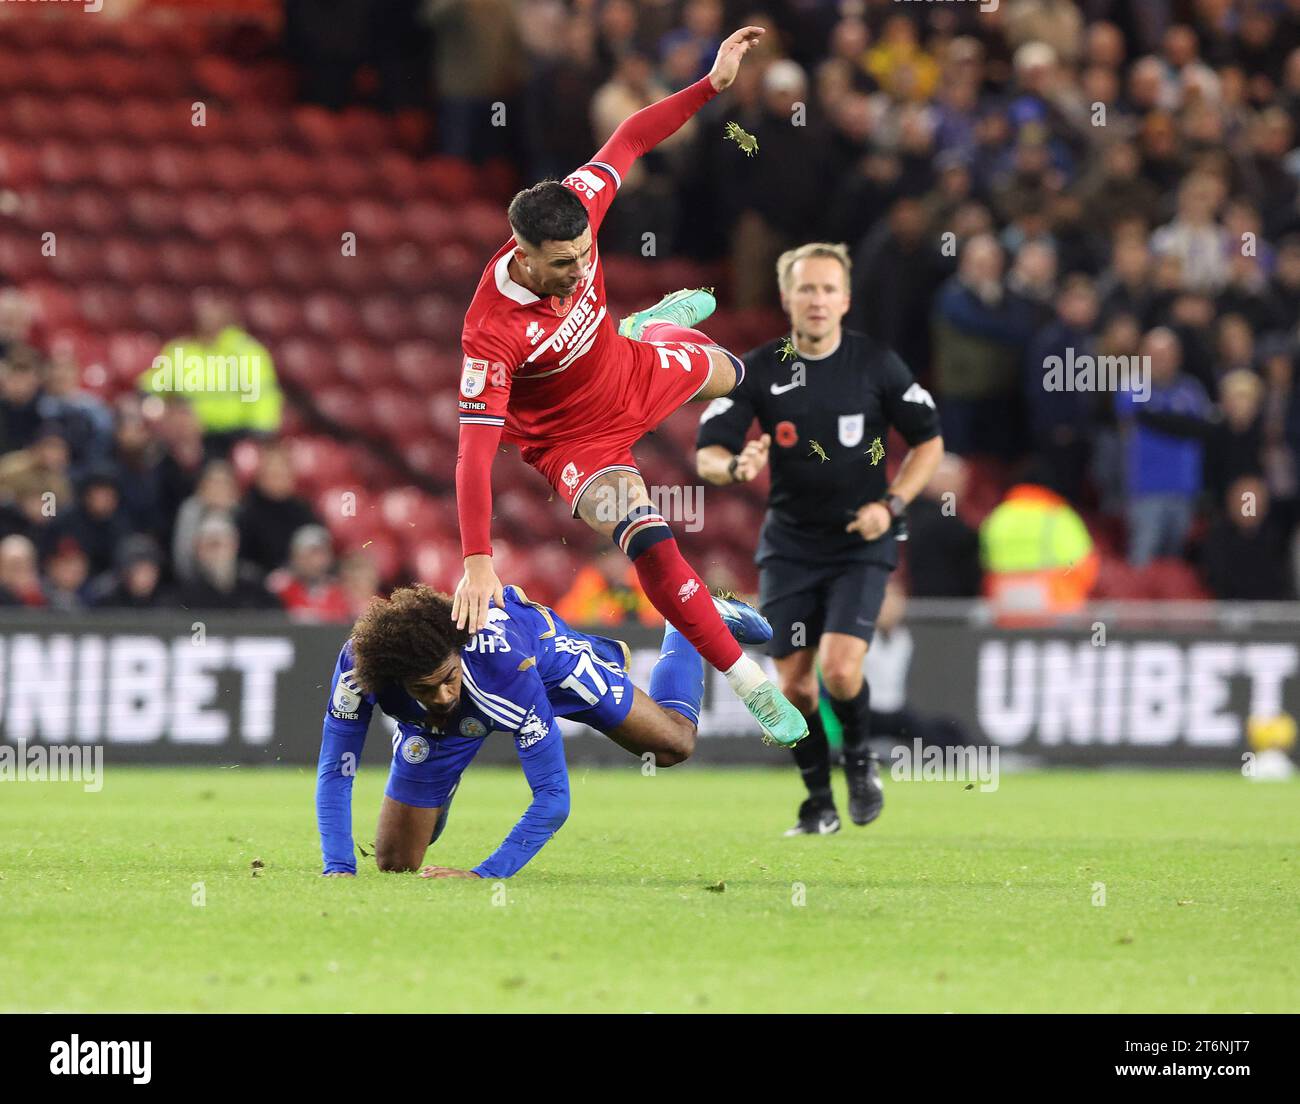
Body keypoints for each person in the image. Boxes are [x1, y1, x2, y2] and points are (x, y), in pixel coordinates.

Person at [451, 25, 808, 748]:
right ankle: (748, 683)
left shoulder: (578, 203)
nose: (580, 271)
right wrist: (477, 560)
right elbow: (472, 452)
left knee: (742, 378)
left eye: (585, 254)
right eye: (561, 264)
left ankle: (649, 329)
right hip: (575, 442)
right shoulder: (490, 332)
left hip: (626, 366)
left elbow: (632, 136)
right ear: (522, 253)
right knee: (649, 538)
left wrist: (711, 86)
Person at [694, 242, 944, 836]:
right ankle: (818, 802)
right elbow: (707, 452)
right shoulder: (759, 368)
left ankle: (859, 765)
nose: (817, 300)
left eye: (828, 289)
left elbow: (929, 442)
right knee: (795, 687)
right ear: (786, 298)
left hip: (861, 542)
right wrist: (734, 468)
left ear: (846, 299)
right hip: (790, 547)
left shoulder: (877, 365)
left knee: (838, 669)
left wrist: (893, 505)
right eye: (806, 288)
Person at [315, 583, 772, 878]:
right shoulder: (361, 669)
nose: (441, 695)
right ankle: (439, 784)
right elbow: (337, 771)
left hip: (549, 665)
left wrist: (484, 876)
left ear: (458, 652)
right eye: (423, 688)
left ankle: (690, 622)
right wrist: (338, 870)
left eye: (446, 678)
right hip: (449, 724)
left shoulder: (506, 671)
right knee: (396, 865)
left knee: (674, 745)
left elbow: (553, 799)